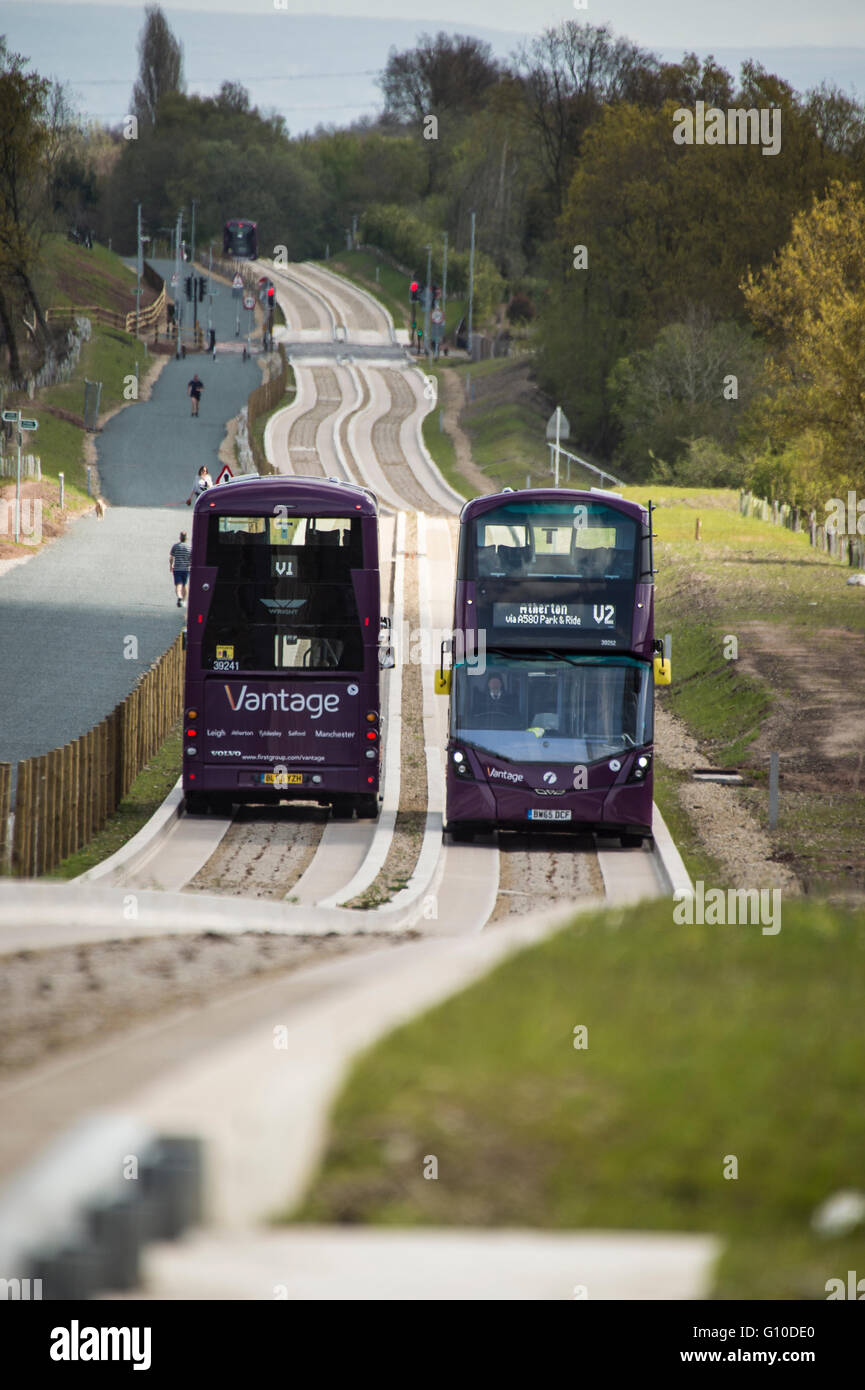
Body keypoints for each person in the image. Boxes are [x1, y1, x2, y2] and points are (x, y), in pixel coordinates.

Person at [169, 531, 191, 607]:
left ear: (180, 537)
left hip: (177, 569)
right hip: (186, 569)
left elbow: (171, 557)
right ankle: (184, 601)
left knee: (178, 584)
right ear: (186, 538)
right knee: (185, 585)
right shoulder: (189, 547)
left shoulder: (175, 546)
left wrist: (171, 566)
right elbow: (191, 559)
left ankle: (179, 596)